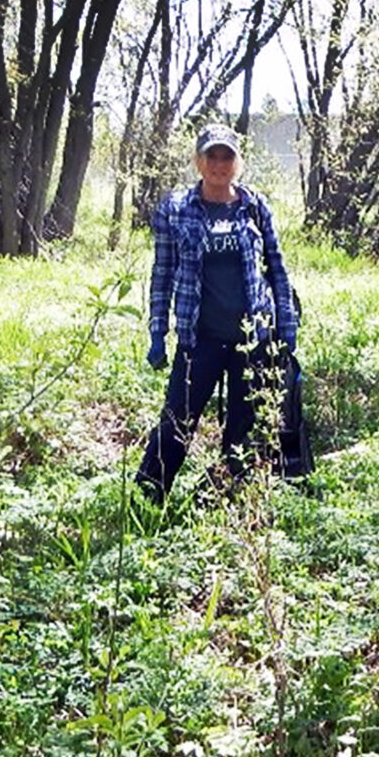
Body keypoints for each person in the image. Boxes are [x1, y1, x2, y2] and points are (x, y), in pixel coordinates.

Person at [136, 124, 300, 504]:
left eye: (227, 156)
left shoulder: (254, 206)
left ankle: (226, 503)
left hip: (252, 340)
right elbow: (162, 274)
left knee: (243, 431)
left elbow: (277, 269)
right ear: (199, 161)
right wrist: (158, 332)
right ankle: (147, 499)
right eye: (212, 155)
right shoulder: (176, 209)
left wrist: (286, 326)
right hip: (200, 338)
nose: (219, 164)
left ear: (237, 162)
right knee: (177, 422)